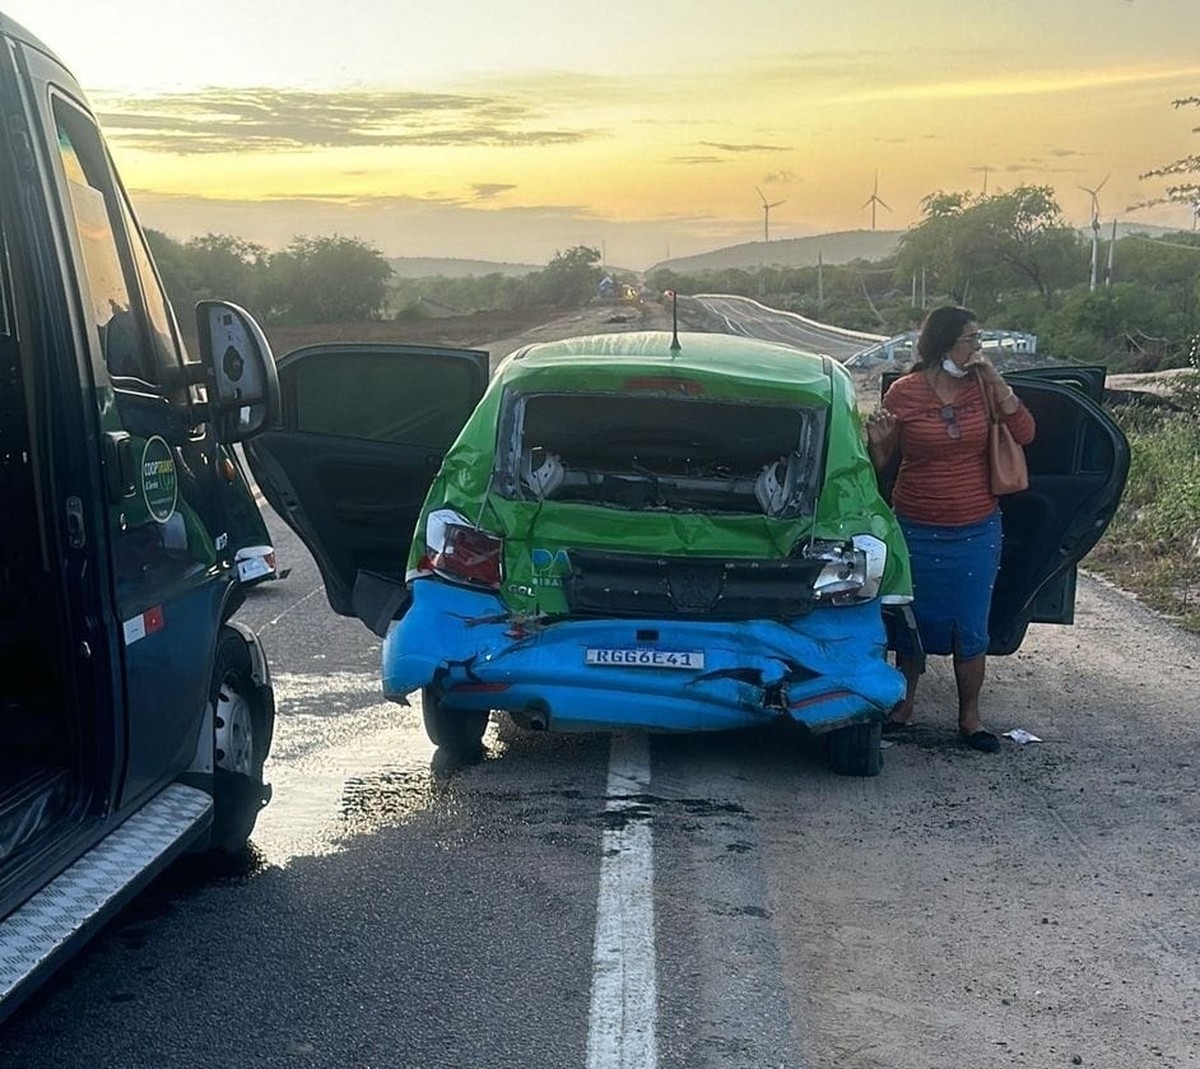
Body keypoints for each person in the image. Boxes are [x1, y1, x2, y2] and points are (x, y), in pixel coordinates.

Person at [865, 306, 1036, 753]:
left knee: (971, 622)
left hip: (976, 527)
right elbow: (881, 467)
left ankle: (970, 718)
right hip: (915, 525)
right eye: (971, 340)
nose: (977, 348)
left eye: (979, 340)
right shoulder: (904, 393)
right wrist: (879, 446)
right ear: (944, 343)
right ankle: (904, 706)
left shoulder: (983, 386)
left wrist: (993, 374)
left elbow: (1025, 430)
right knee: (910, 618)